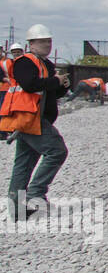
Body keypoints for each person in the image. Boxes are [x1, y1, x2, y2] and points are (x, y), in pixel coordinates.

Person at [2, 25, 70, 220]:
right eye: (42, 41)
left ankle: (16, 209)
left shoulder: (46, 64)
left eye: (49, 41)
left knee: (24, 162)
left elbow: (50, 92)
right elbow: (29, 85)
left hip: (33, 118)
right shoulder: (25, 62)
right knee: (57, 151)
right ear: (31, 44)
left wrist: (62, 87)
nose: (47, 45)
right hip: (30, 118)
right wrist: (54, 82)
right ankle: (36, 193)